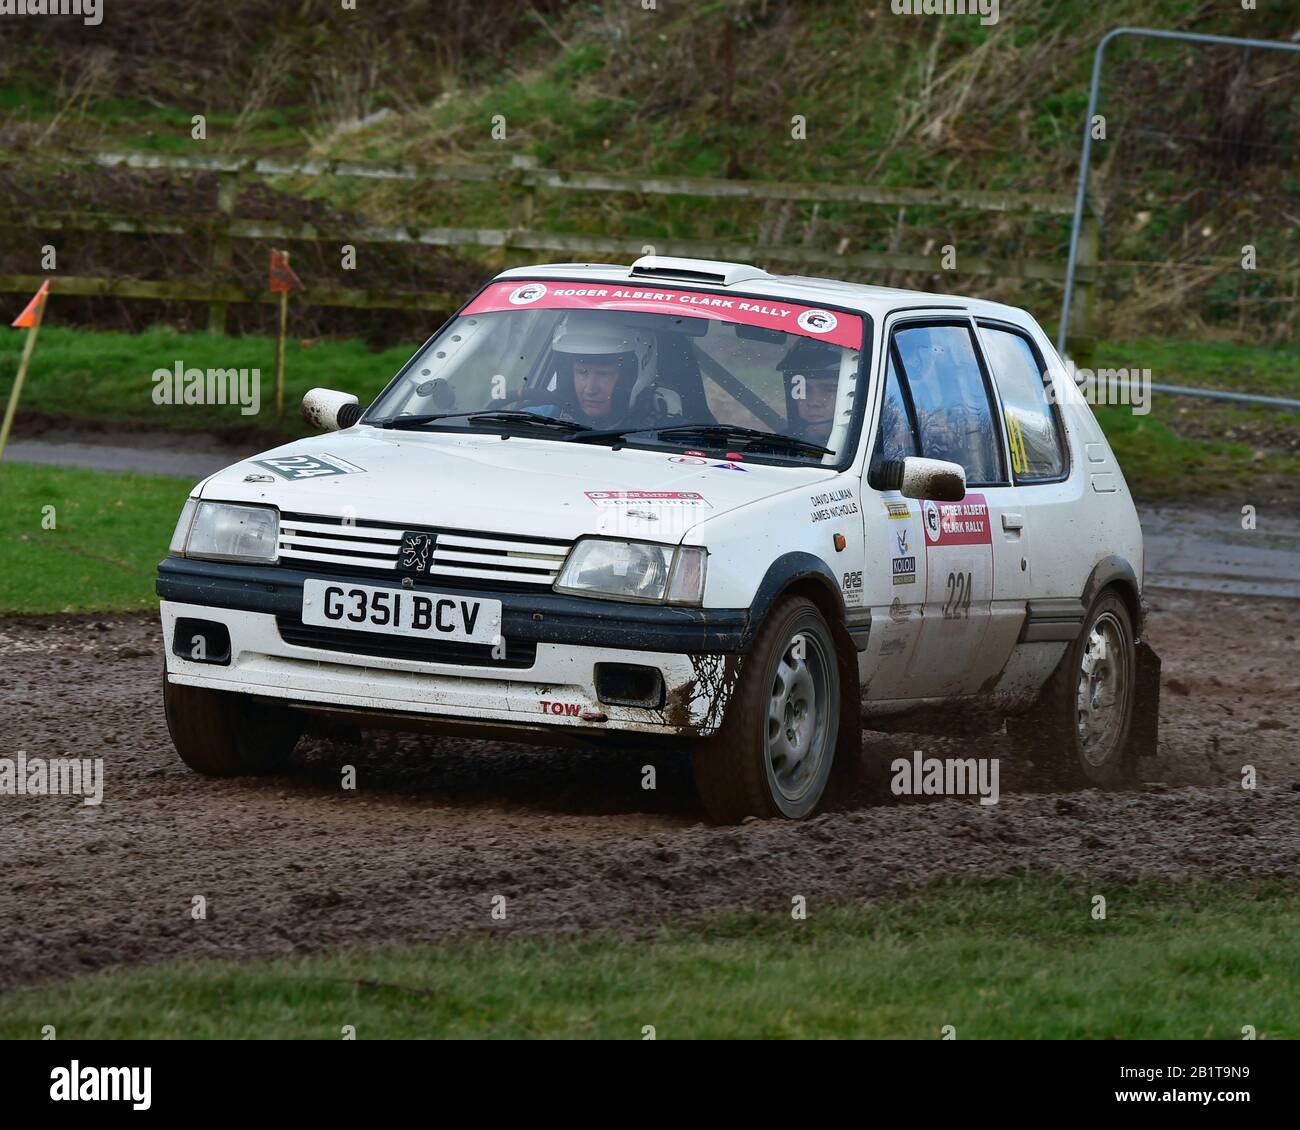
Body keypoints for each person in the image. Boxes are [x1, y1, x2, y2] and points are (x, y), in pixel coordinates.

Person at [528, 312, 682, 428]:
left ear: (632, 377)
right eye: (582, 372)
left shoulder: (664, 432)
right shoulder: (539, 420)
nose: (590, 389)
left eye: (604, 374)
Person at [778, 338, 843, 447]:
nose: (814, 402)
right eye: (804, 389)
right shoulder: (773, 448)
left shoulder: (878, 451)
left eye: (829, 389)